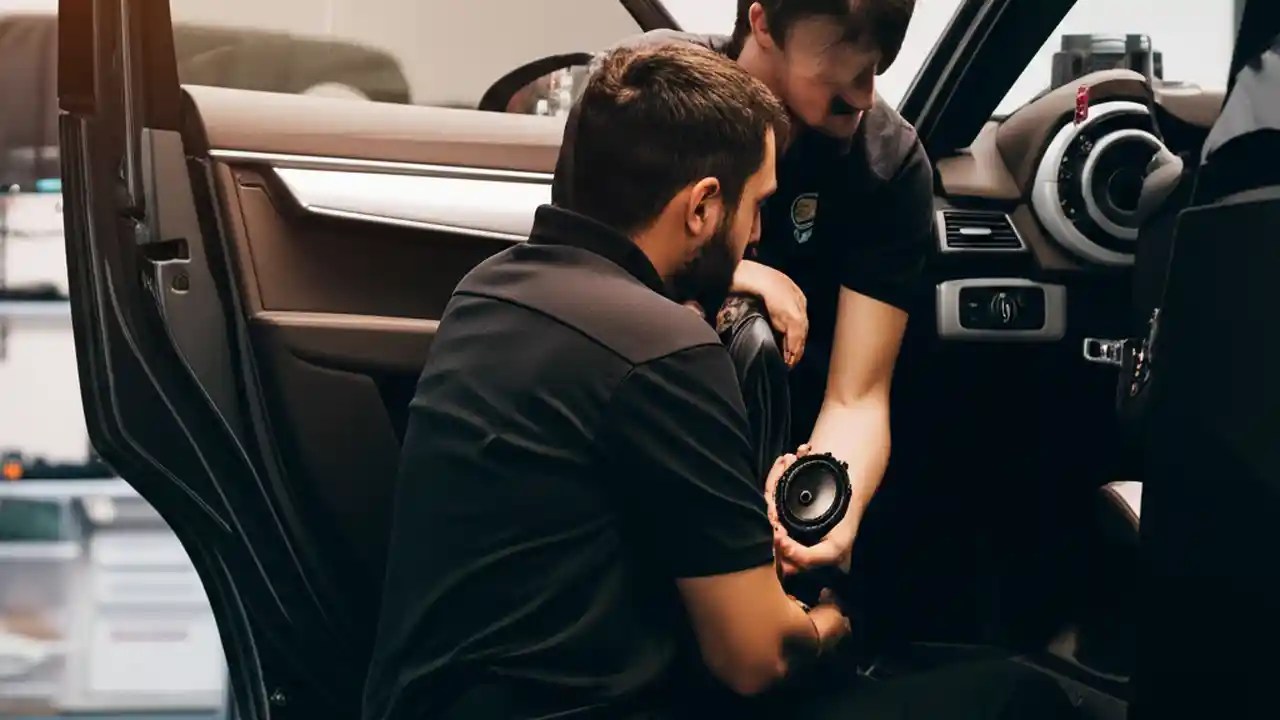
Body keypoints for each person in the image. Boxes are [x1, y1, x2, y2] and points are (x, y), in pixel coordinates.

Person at [363, 42, 1075, 720]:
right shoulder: (666, 351)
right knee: (1016, 697)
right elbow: (755, 660)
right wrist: (837, 622)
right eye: (757, 203)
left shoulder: (486, 293)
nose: (759, 235)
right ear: (701, 207)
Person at [553, 0, 932, 586]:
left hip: (787, 446)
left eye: (876, 70)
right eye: (845, 71)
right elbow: (578, 280)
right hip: (626, 449)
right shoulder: (648, 94)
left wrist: (824, 513)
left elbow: (857, 397)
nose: (863, 96)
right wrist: (730, 273)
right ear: (763, 25)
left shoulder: (887, 163)